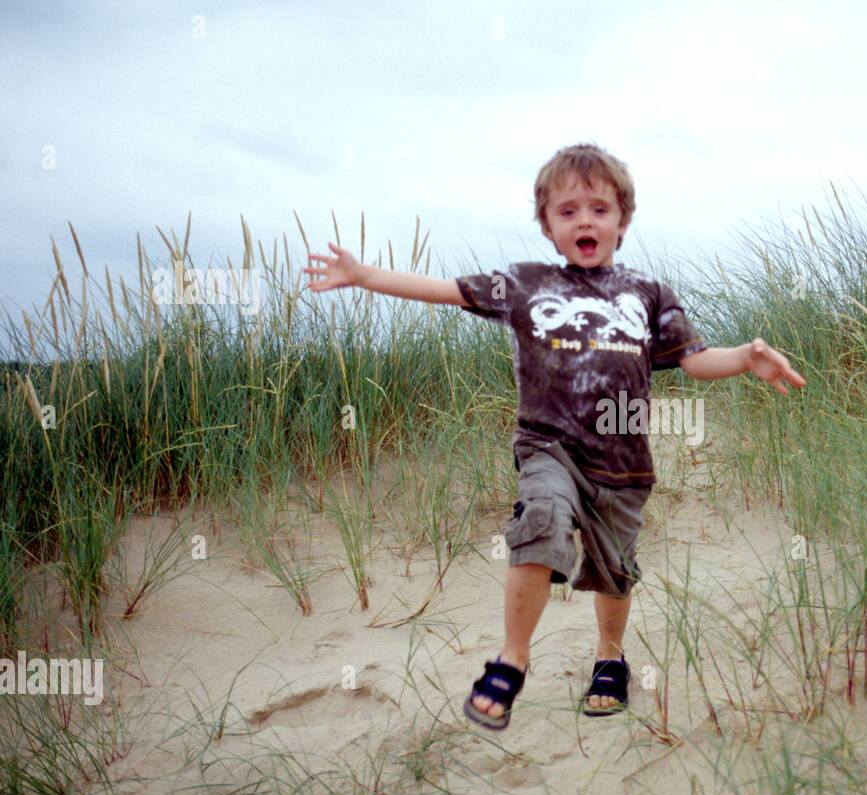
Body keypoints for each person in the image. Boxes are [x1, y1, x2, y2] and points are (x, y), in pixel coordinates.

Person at [304, 143, 805, 730]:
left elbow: (694, 360)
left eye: (599, 207)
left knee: (615, 572)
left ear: (622, 218)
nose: (585, 219)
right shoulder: (525, 284)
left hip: (622, 462)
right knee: (539, 520)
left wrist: (747, 357)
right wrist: (364, 276)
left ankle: (609, 658)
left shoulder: (649, 294)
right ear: (547, 225)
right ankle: (513, 658)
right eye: (568, 211)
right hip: (549, 449)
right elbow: (442, 289)